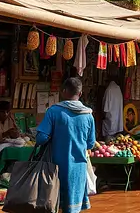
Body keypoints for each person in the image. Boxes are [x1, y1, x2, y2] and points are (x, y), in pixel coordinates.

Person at [35, 78, 95, 213]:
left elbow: (40, 138)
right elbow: (90, 143)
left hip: (56, 168)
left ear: (63, 92)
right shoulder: (88, 115)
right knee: (73, 208)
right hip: (79, 169)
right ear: (80, 94)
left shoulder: (54, 111)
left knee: (53, 204)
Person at [101, 75, 123, 140]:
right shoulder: (118, 88)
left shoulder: (109, 90)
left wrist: (103, 114)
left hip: (110, 117)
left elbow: (106, 107)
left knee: (109, 136)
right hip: (118, 117)